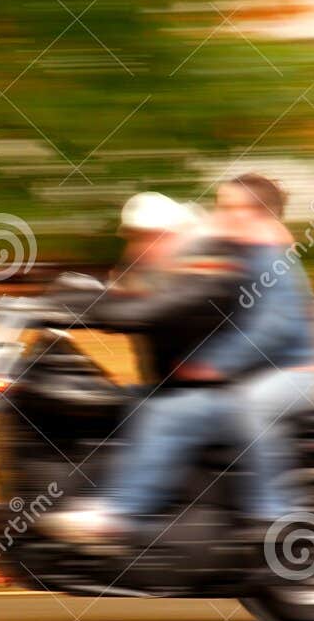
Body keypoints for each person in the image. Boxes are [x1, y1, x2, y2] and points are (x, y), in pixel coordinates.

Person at [37, 191, 254, 544]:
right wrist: (23, 306)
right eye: (135, 237)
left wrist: (95, 311)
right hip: (174, 391)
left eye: (148, 236)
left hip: (228, 396)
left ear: (173, 235)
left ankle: (114, 516)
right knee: (97, 404)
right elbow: (106, 294)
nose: (139, 246)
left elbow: (150, 310)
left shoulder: (207, 267)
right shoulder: (150, 271)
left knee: (159, 413)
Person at [188, 174, 314, 531]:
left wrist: (216, 363)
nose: (218, 214)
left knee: (253, 406)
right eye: (218, 206)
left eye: (228, 207)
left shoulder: (274, 258)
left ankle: (271, 513)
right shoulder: (238, 254)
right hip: (257, 368)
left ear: (258, 215)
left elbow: (273, 330)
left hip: (299, 371)